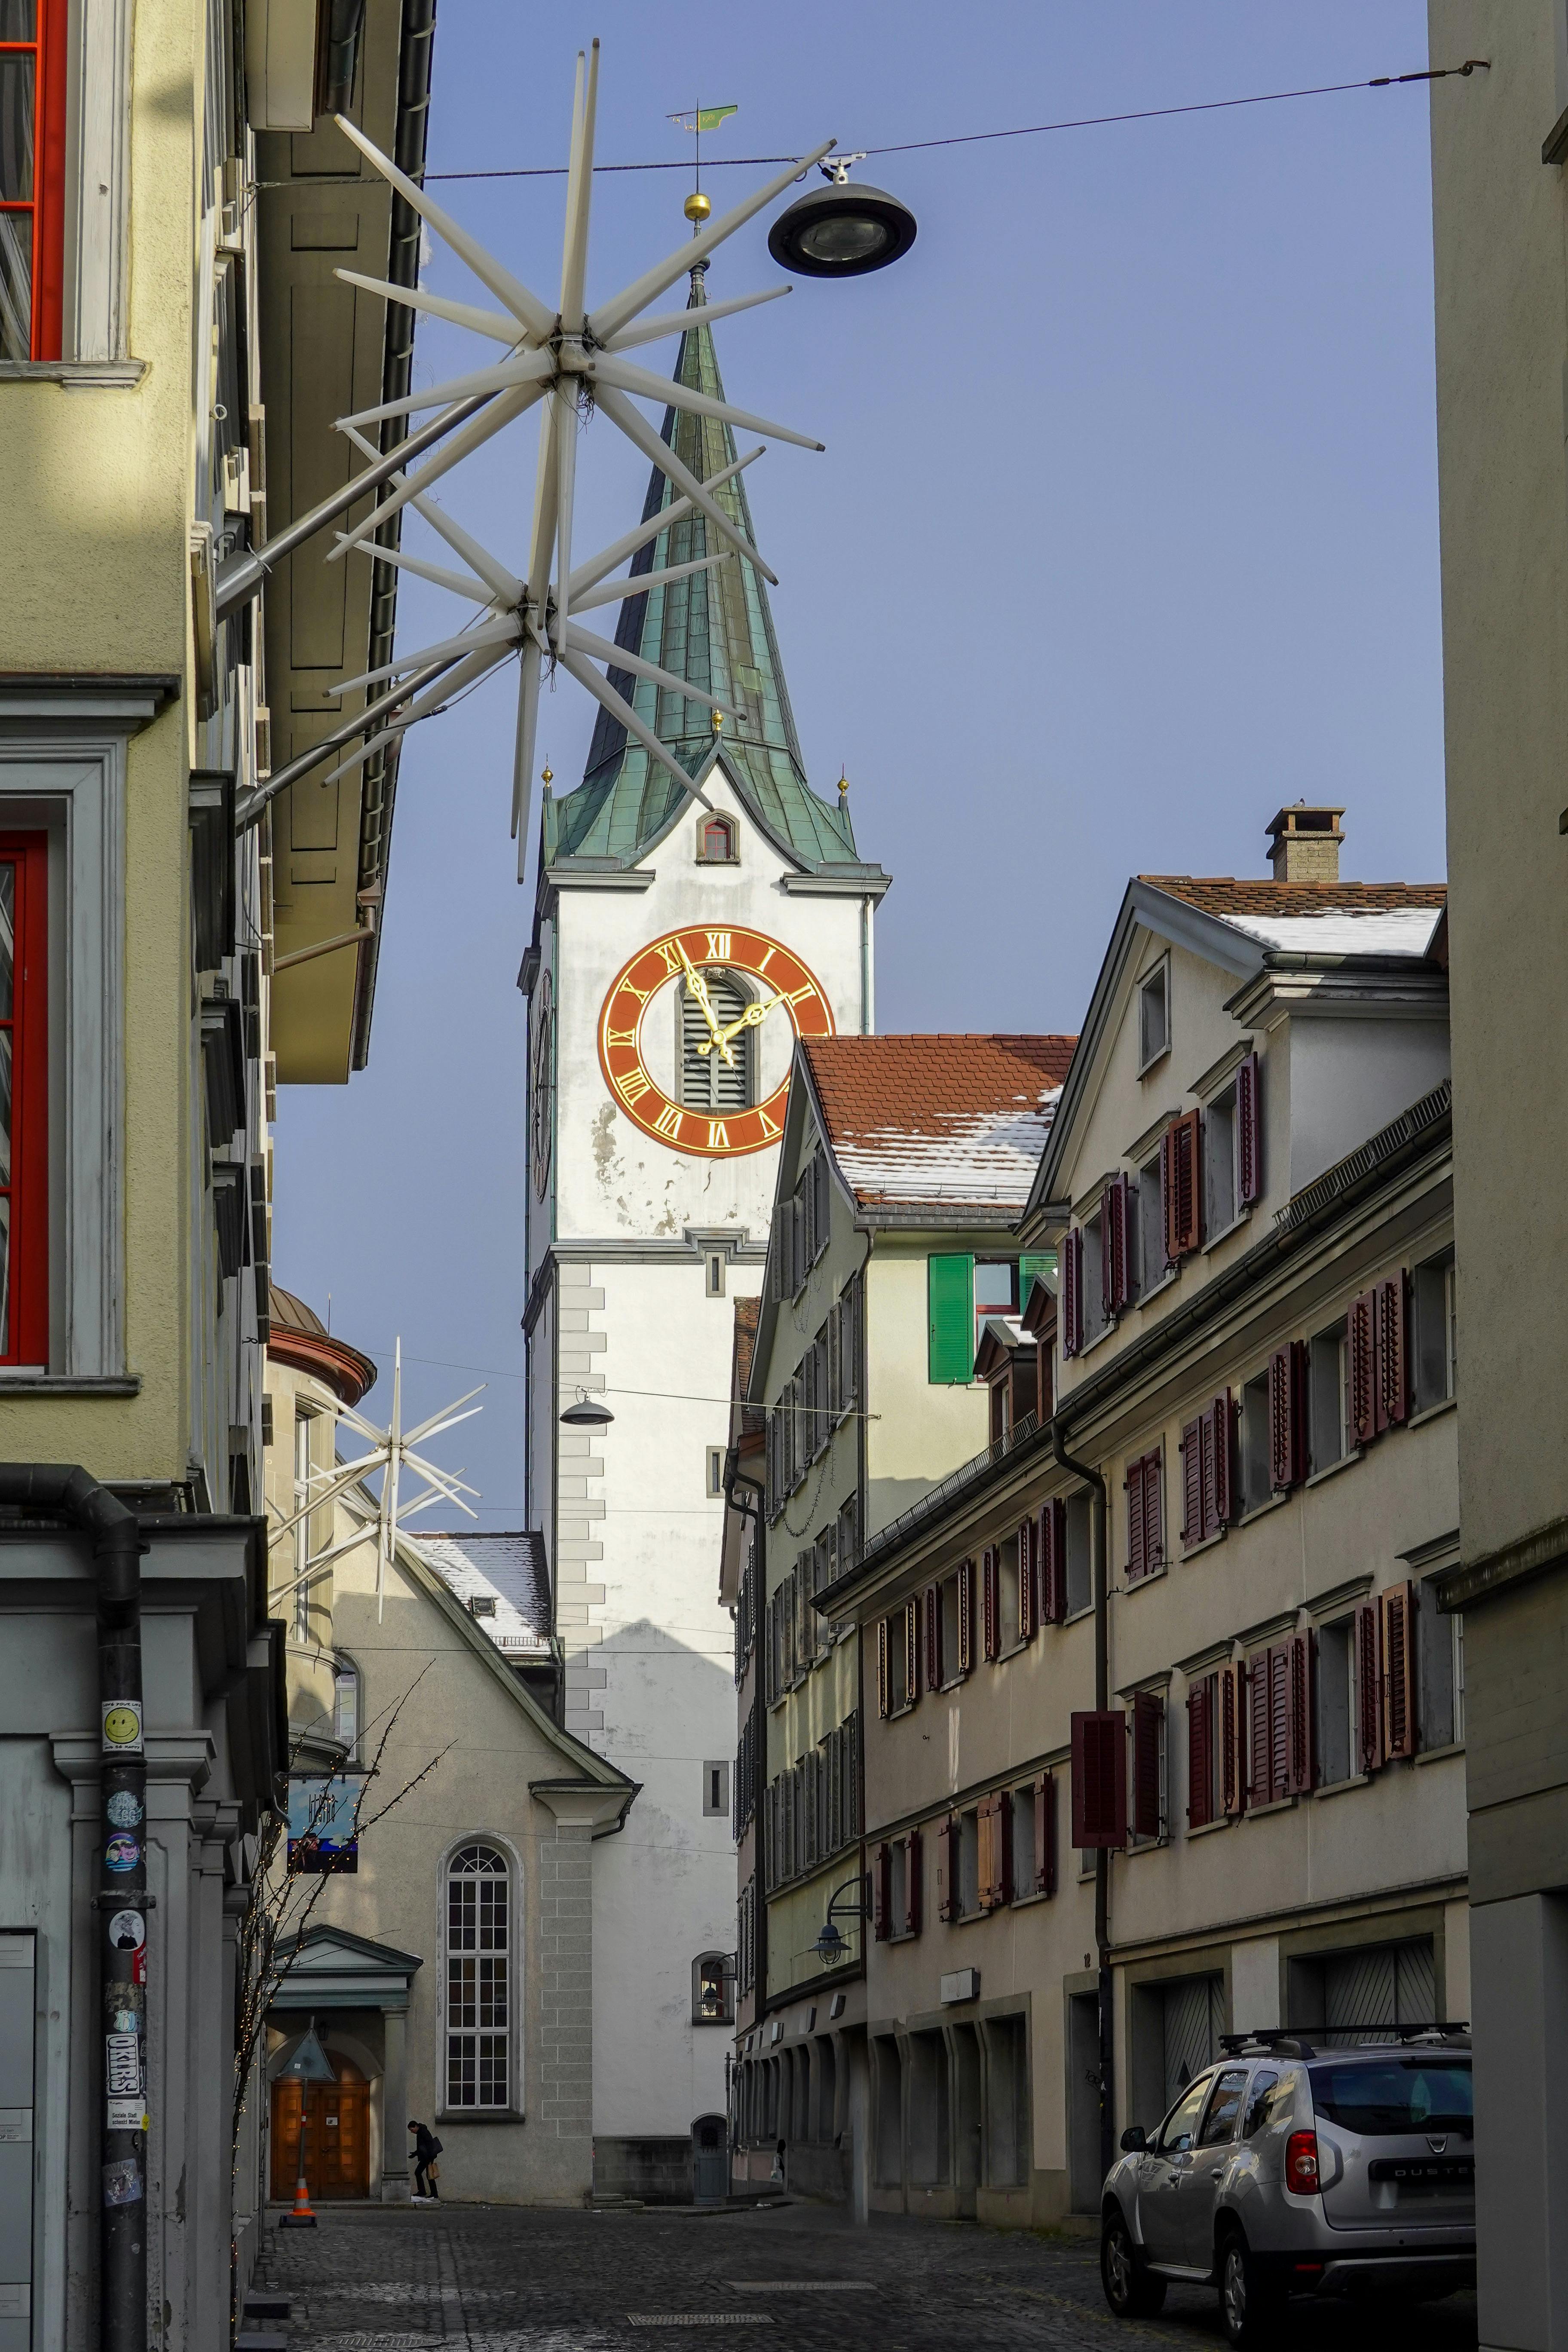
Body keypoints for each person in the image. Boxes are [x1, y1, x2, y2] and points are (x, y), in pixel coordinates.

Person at [408, 2119, 442, 2200]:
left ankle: (432, 2193)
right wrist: (415, 2154)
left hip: (428, 2157)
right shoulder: (421, 2132)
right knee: (425, 2174)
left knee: (427, 2174)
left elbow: (429, 2145)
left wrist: (430, 2158)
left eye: (412, 2130)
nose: (412, 2132)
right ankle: (428, 2192)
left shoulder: (423, 2132)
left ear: (416, 2126)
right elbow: (423, 2147)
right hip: (426, 2157)